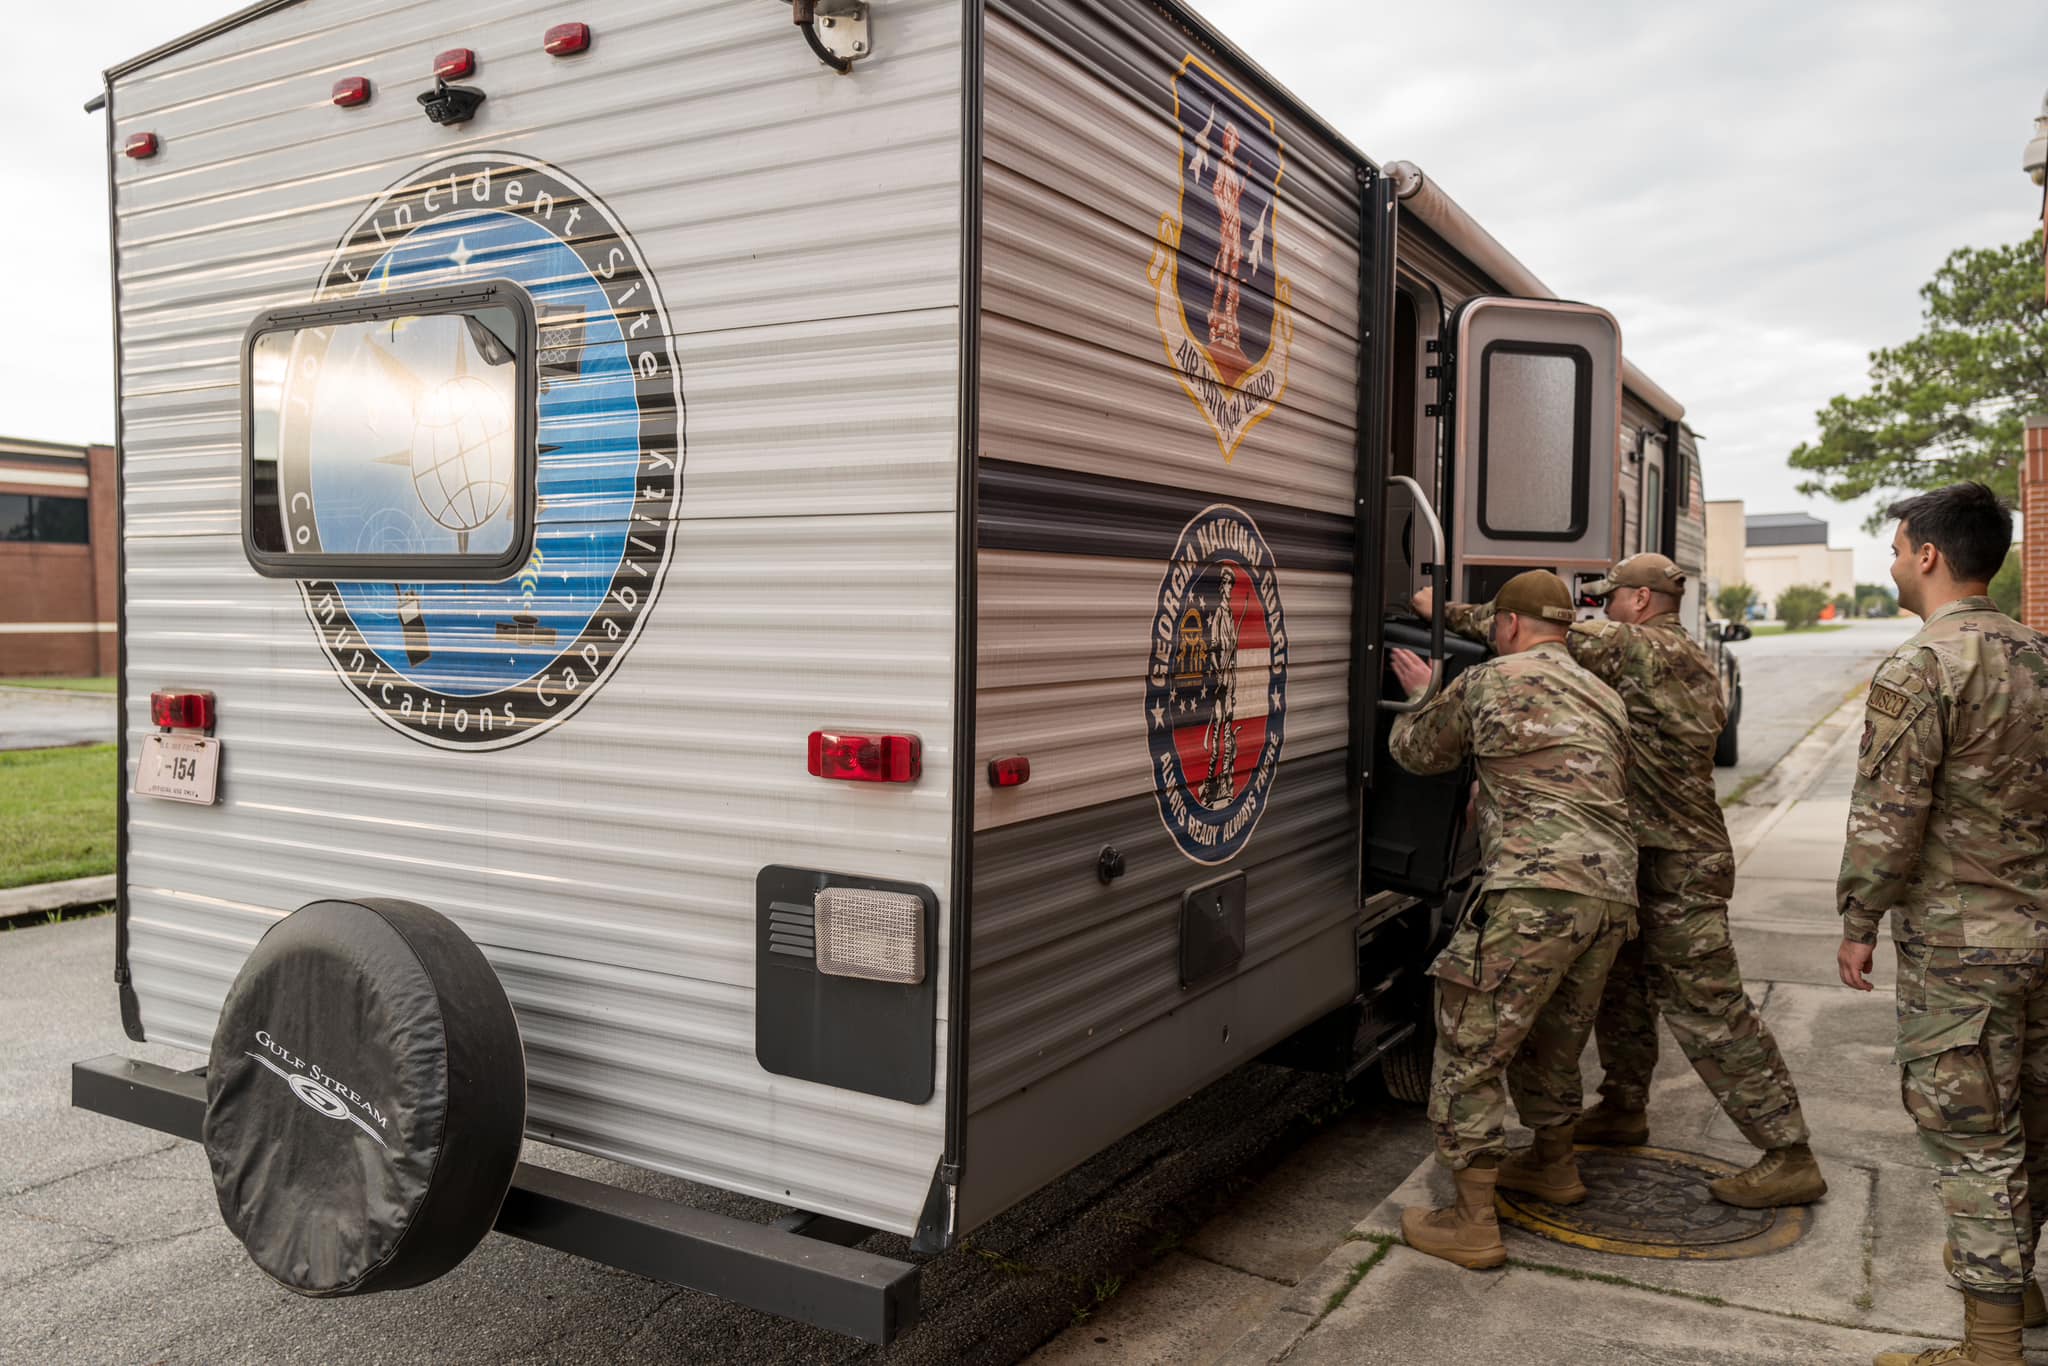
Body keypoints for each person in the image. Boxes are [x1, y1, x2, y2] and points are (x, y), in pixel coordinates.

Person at [1415, 553, 1823, 1209]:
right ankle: (1624, 1107)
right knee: (1618, 992)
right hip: (1635, 857)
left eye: (1609, 598)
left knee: (1709, 1009)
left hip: (1677, 862)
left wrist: (1443, 612)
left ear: (1640, 600)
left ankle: (1789, 1151)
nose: (1599, 608)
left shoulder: (1643, 647)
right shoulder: (1680, 658)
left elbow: (1540, 628)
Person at [1837, 484, 2048, 1366]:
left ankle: (1988, 1347)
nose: (1891, 564)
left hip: (1962, 953)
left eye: (1894, 548)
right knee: (2034, 1121)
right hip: (2042, 934)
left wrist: (1859, 919)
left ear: (1928, 554)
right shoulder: (2040, 656)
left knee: (1972, 1139)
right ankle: (2017, 1286)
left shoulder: (1921, 668)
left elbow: (1889, 816)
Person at [1387, 570, 1637, 1270]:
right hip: (1612, 893)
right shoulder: (1604, 695)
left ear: (1507, 626)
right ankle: (1555, 1167)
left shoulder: (1492, 680)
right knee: (1554, 1037)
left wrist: (1419, 694)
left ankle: (1471, 1223)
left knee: (1470, 1045)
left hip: (1538, 889)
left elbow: (1417, 753)